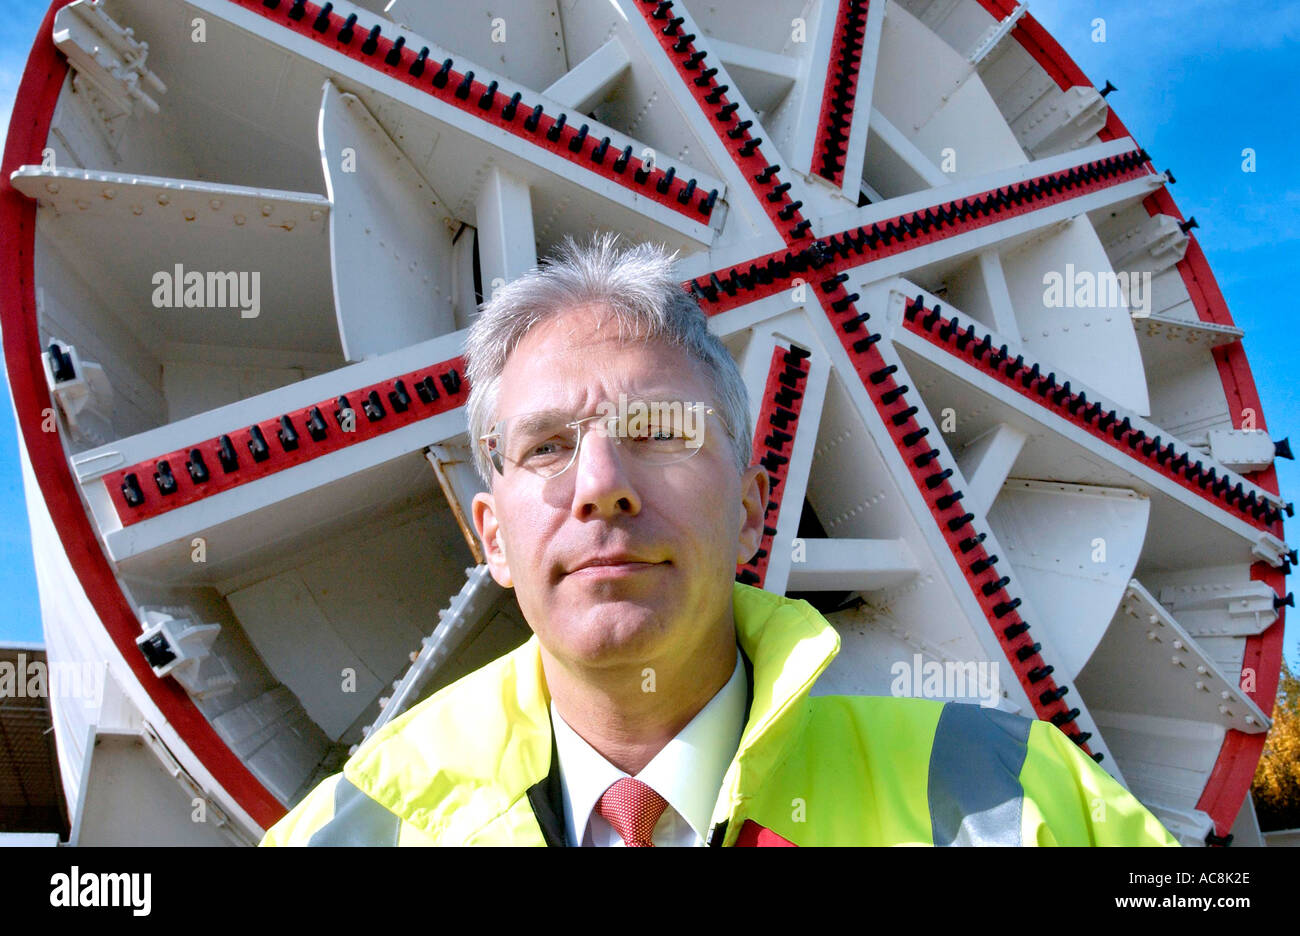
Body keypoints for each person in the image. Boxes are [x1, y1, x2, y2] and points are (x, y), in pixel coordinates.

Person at [260, 234, 1178, 847]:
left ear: (750, 513)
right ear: (492, 537)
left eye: (660, 433)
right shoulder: (359, 828)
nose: (602, 487)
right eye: (546, 447)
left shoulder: (1018, 799)